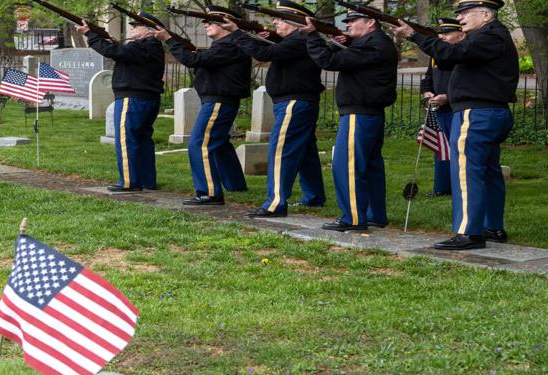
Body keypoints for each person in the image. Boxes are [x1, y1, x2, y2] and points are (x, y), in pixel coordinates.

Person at [393, 0, 515, 249]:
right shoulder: (486, 37)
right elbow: (448, 59)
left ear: (484, 14)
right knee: (488, 171)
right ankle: (492, 227)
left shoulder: (489, 35)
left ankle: (469, 232)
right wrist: (436, 41)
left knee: (466, 172)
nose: (459, 17)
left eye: (465, 12)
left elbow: (452, 54)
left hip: (477, 113)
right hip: (486, 111)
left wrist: (414, 36)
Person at [228, 2, 327, 218]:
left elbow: (265, 53)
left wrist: (237, 33)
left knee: (281, 151)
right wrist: (262, 34)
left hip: (294, 102)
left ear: (294, 22)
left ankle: (275, 202)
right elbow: (276, 47)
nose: (274, 22)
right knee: (305, 152)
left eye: (279, 19)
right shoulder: (297, 40)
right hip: (298, 101)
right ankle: (314, 197)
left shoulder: (299, 40)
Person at [305, 9, 398, 231]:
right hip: (368, 111)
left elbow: (328, 61)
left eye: (353, 20)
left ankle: (353, 218)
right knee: (370, 165)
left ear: (371, 22)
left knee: (347, 165)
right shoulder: (375, 43)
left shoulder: (373, 44)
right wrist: (341, 42)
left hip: (360, 112)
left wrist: (312, 36)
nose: (348, 24)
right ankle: (375, 215)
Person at [167, 7, 252, 205]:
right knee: (220, 143)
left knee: (199, 144)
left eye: (209, 21)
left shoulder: (228, 45)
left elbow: (193, 60)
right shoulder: (224, 44)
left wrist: (169, 40)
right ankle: (235, 183)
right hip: (219, 99)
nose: (205, 24)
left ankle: (209, 192)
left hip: (218, 100)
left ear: (225, 23)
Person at [81, 13, 167, 193]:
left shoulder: (143, 46)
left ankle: (129, 181)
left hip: (133, 99)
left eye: (137, 25)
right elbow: (122, 52)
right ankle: (146, 180)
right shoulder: (151, 47)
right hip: (147, 98)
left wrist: (90, 34)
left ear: (150, 30)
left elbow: (113, 51)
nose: (132, 28)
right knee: (142, 139)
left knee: (127, 140)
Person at [417, 18, 463, 197]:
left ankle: (458, 187)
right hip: (438, 109)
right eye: (440, 33)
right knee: (441, 149)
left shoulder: (465, 54)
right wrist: (427, 92)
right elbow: (428, 77)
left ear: (461, 34)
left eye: (447, 33)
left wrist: (448, 98)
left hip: (456, 109)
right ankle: (441, 187)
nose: (441, 37)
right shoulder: (437, 54)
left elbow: (467, 84)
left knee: (458, 149)